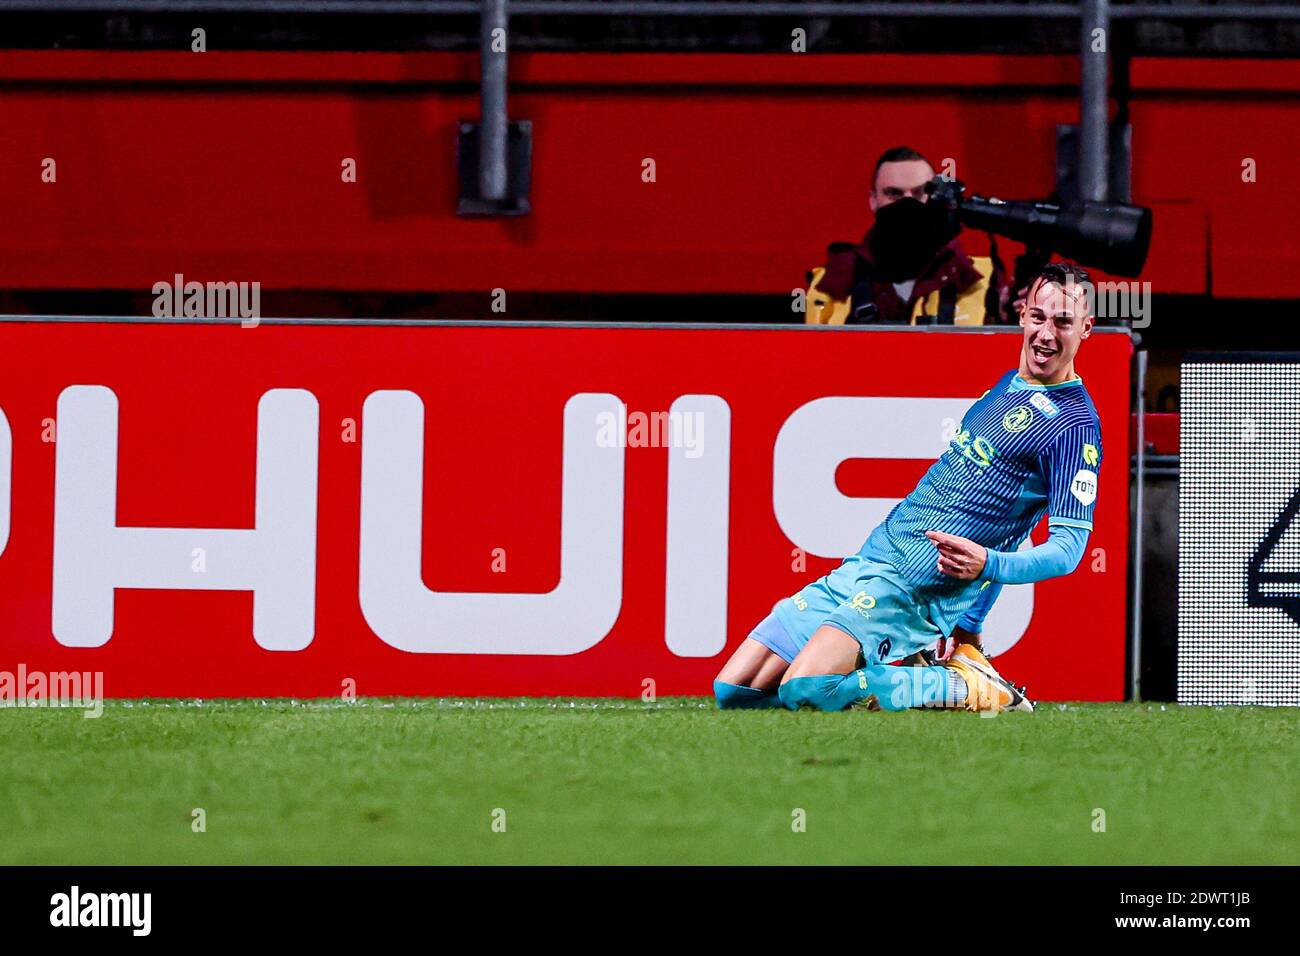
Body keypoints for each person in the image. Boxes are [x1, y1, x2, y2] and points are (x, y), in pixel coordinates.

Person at [718, 262, 1102, 712]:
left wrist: (988, 565)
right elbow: (1006, 520)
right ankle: (937, 676)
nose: (1046, 334)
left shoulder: (1075, 426)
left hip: (914, 587)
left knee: (805, 689)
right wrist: (969, 628)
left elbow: (1069, 550)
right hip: (872, 559)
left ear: (1086, 328)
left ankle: (969, 689)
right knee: (737, 692)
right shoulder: (1008, 385)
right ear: (1022, 315)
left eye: (1063, 322)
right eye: (1038, 316)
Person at [806, 146, 1008, 326]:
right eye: (894, 193)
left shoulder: (984, 279)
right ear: (873, 200)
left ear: (935, 196)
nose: (908, 202)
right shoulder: (833, 280)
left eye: (920, 192)